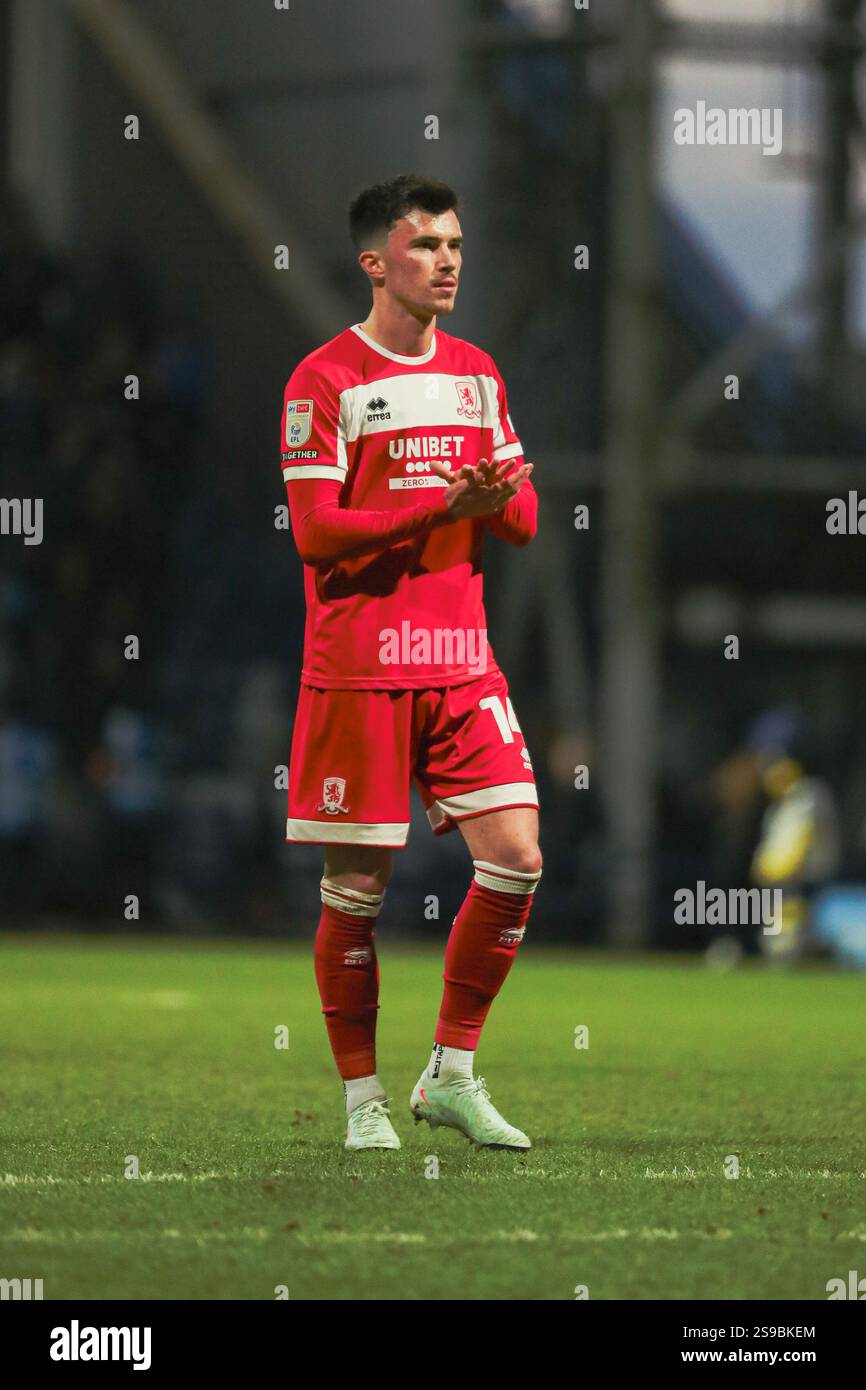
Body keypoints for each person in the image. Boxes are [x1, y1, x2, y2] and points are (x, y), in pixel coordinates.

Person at [280, 175, 541, 1151]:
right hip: (359, 665)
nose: (446, 262)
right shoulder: (323, 381)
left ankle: (451, 1073)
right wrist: (440, 503)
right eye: (426, 244)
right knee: (358, 894)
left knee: (515, 857)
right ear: (374, 262)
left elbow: (518, 520)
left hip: (460, 659)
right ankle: (362, 1104)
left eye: (456, 246)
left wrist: (486, 495)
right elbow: (315, 533)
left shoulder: (477, 373)